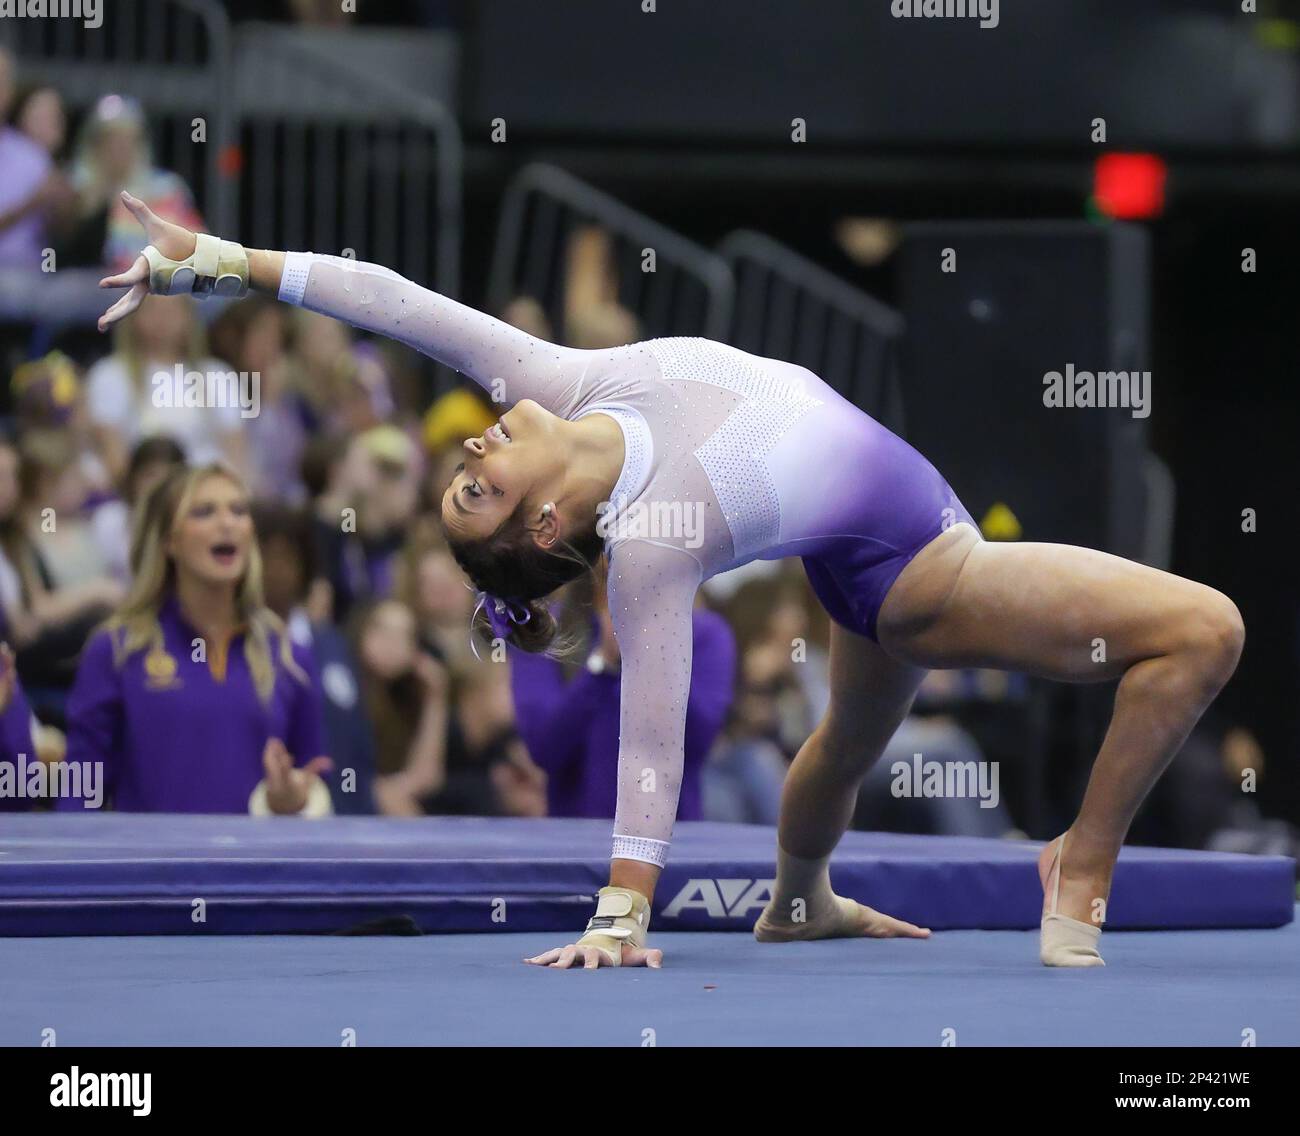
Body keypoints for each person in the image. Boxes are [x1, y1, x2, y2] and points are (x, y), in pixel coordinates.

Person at [97, 193, 1246, 971]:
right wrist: (621, 907)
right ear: (548, 520)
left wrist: (216, 264)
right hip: (925, 566)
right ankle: (1077, 859)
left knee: (845, 739)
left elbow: (394, 301)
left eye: (466, 473)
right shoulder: (651, 541)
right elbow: (651, 742)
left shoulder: (566, 377)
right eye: (477, 493)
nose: (469, 454)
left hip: (859, 552)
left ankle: (799, 895)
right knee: (1202, 630)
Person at [59, 463, 332, 814]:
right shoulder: (117, 649)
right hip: (152, 868)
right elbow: (80, 794)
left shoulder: (290, 655)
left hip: (255, 866)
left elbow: (317, 785)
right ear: (169, 541)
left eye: (238, 510)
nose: (228, 522)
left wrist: (294, 800)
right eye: (204, 512)